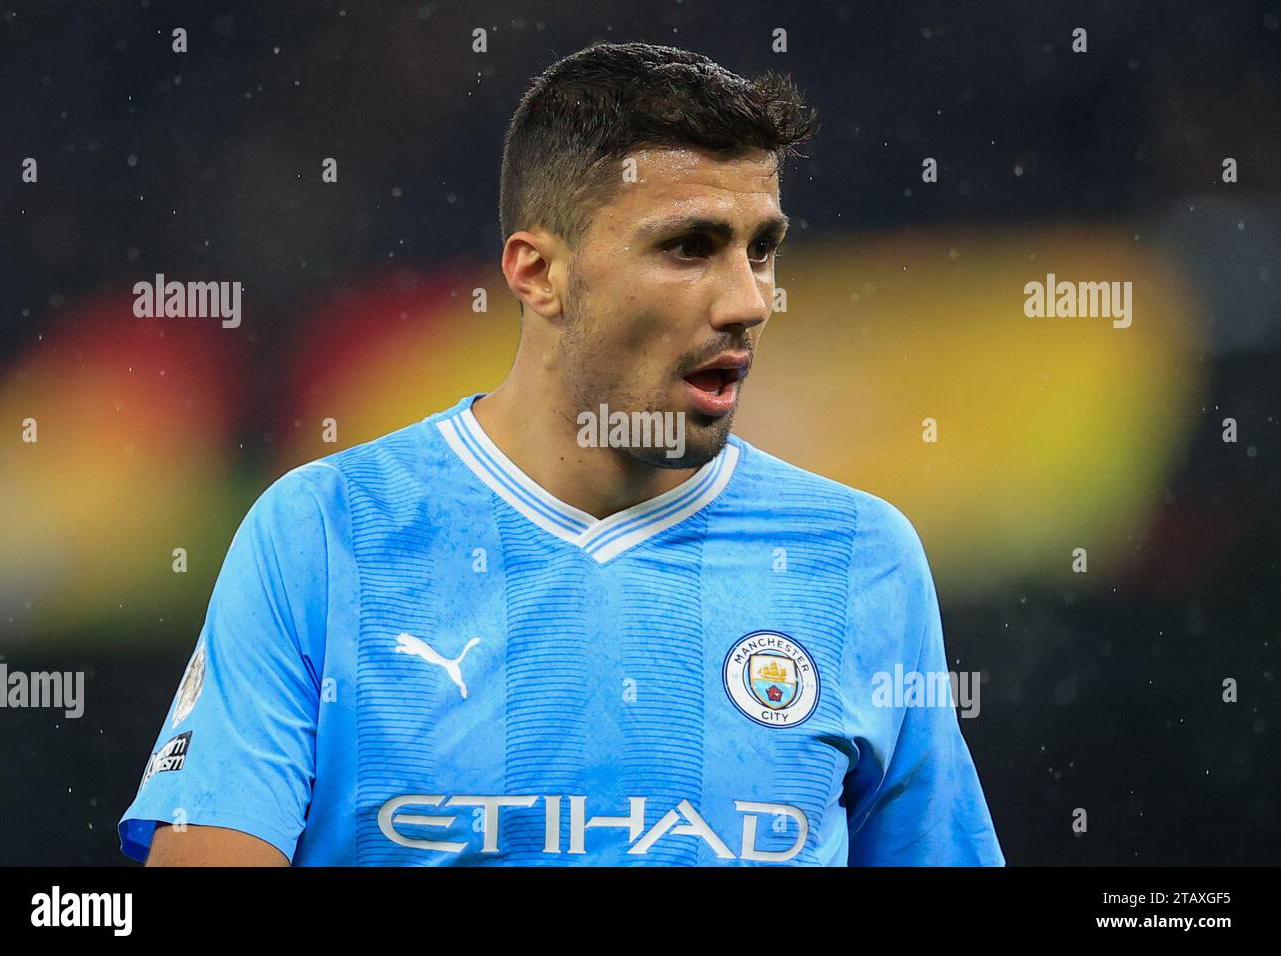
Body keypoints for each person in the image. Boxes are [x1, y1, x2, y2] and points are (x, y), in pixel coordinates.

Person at [120, 40, 1004, 866]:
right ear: (538, 273)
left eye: (762, 249)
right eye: (690, 247)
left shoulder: (858, 558)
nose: (750, 301)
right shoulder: (324, 533)